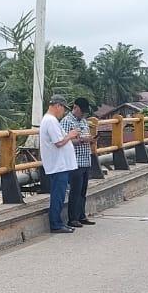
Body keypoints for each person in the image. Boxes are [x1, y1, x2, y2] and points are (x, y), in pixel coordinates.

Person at [39, 95, 81, 233]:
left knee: (60, 194)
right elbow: (59, 142)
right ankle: (56, 224)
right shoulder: (50, 121)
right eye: (63, 108)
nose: (63, 112)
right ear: (58, 106)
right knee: (58, 195)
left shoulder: (51, 120)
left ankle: (58, 223)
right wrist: (71, 135)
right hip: (57, 165)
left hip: (60, 164)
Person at [61, 97, 96, 228]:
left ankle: (81, 215)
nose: (83, 114)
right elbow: (64, 141)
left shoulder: (84, 121)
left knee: (82, 191)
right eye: (82, 111)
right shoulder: (66, 121)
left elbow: (84, 136)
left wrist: (90, 139)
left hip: (86, 160)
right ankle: (73, 218)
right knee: (75, 191)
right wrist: (81, 140)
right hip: (74, 161)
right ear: (75, 108)